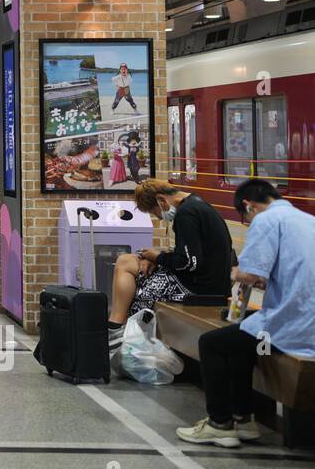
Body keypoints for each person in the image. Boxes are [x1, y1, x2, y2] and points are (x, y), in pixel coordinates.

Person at [175, 179, 315, 447]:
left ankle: (219, 423)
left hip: (293, 325)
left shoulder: (266, 220)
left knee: (212, 343)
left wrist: (236, 273)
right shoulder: (306, 219)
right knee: (241, 339)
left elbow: (249, 273)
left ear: (249, 206)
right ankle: (243, 418)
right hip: (305, 319)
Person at [107, 179, 234, 361]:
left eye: (154, 211)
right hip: (208, 281)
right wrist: (158, 259)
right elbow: (192, 254)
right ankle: (116, 327)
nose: (159, 217)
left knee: (138, 283)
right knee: (126, 261)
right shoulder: (196, 204)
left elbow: (189, 262)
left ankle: (116, 329)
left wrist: (157, 258)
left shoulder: (186, 214)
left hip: (199, 288)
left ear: (161, 200)